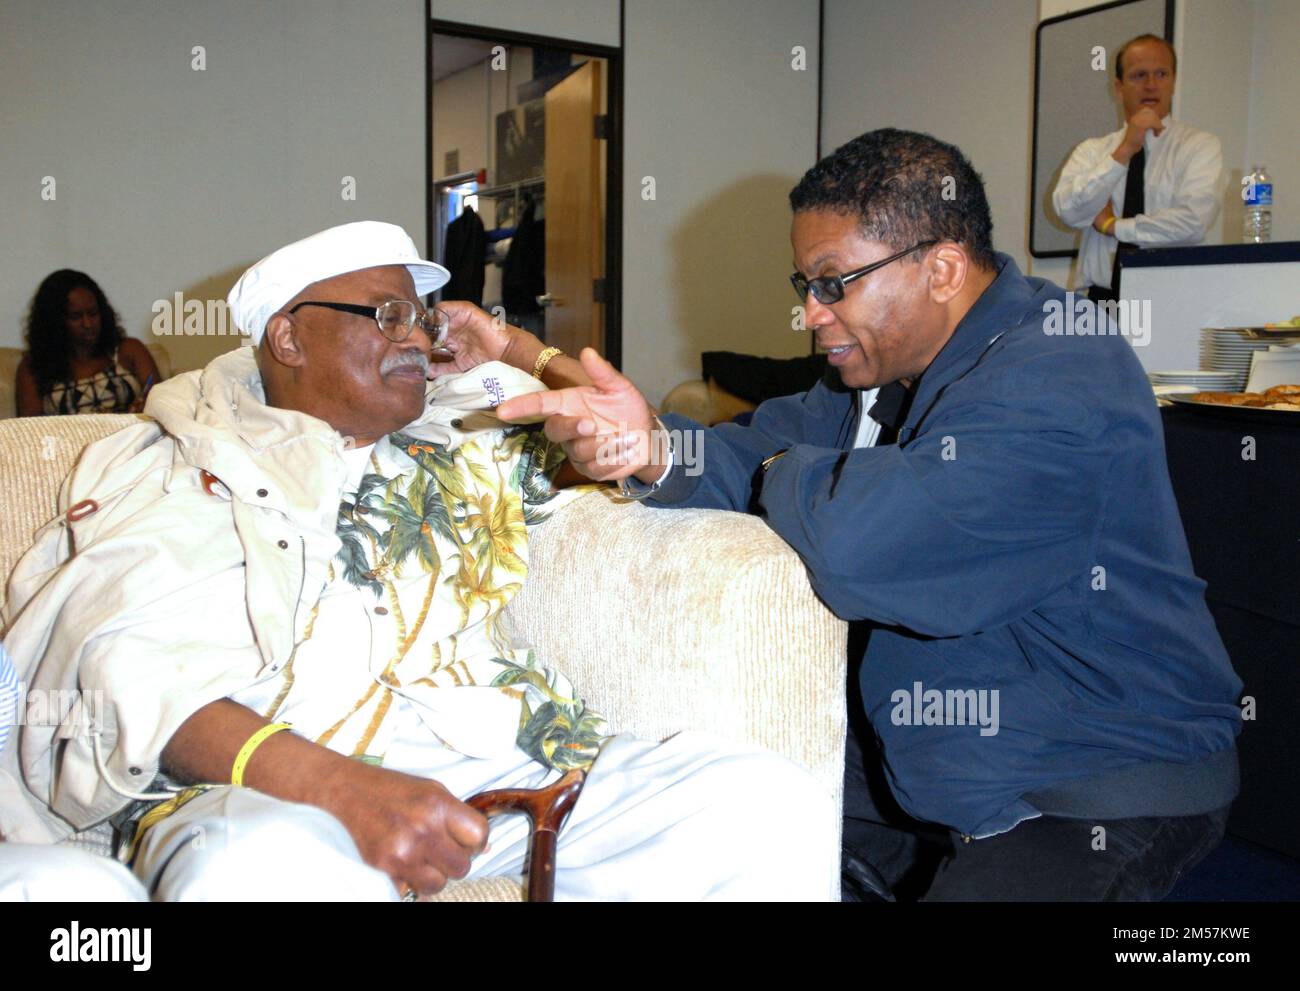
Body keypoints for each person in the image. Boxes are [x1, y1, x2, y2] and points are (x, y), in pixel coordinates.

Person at [496, 129, 1243, 901]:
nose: (812, 315)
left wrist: (783, 472)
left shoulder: (1062, 369)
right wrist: (649, 446)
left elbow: (864, 546)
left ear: (943, 268)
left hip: (1094, 773)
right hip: (935, 747)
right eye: (805, 285)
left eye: (833, 283)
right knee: (700, 844)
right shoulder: (880, 372)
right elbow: (748, 451)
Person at [0, 221, 836, 902]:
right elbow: (117, 669)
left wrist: (520, 348)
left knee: (764, 804)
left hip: (500, 777)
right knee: (252, 869)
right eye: (387, 314)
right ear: (287, 336)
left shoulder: (458, 437)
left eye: (422, 315)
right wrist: (335, 788)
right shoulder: (184, 460)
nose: (419, 335)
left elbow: (624, 451)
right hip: (266, 792)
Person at [1052, 34, 1223, 302]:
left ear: (1174, 82)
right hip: (1101, 302)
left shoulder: (1199, 146)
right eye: (1139, 75)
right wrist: (1123, 152)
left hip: (1172, 298)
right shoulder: (1092, 151)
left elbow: (1193, 223)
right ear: (1119, 87)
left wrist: (1113, 226)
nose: (1151, 85)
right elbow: (1068, 211)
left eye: (1161, 74)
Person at [15, 269, 160, 416]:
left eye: (93, 313)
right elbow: (29, 428)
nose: (88, 323)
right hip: (69, 438)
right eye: (75, 316)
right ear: (55, 321)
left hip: (132, 436)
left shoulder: (129, 350)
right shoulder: (33, 366)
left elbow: (164, 404)